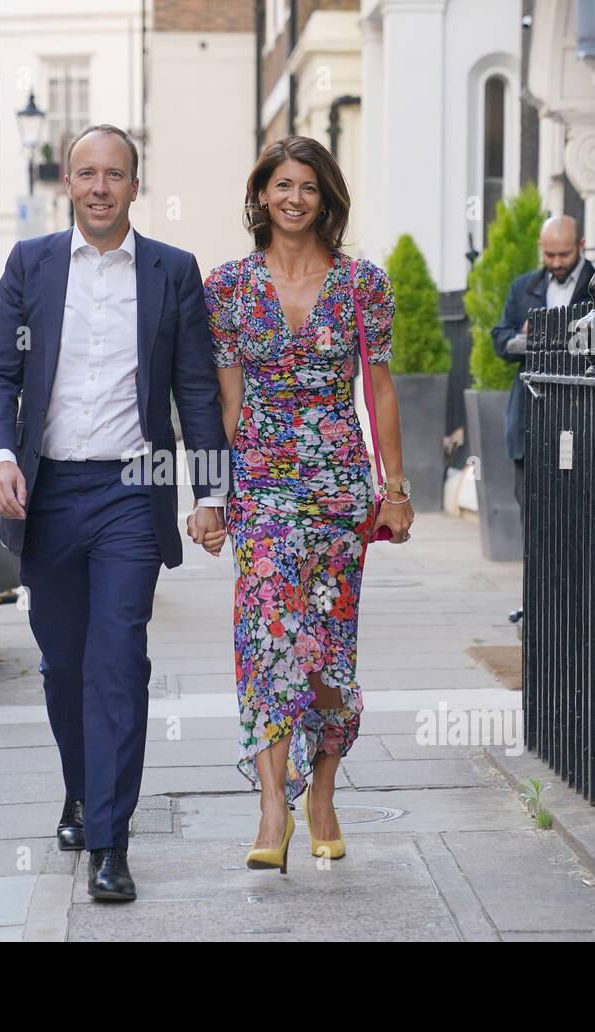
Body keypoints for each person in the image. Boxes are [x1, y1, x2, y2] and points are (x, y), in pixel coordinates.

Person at [0, 124, 229, 903]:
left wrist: (212, 493)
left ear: (133, 185)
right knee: (63, 665)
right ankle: (82, 790)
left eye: (113, 174)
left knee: (118, 660)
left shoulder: (172, 272)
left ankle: (111, 845)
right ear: (67, 182)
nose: (99, 188)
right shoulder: (32, 264)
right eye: (86, 174)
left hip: (130, 491)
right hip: (47, 492)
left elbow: (196, 388)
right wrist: (1, 458)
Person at [201, 135, 412, 874]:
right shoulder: (226, 287)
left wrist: (395, 488)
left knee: (324, 648)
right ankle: (270, 806)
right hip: (262, 487)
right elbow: (223, 400)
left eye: (309, 188)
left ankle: (321, 792)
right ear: (260, 195)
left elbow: (380, 388)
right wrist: (217, 495)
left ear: (327, 200)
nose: (294, 198)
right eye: (281, 185)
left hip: (337, 492)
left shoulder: (363, 284)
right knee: (267, 640)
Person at [491, 214, 595, 520]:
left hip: (588, 416)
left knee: (583, 509)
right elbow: (500, 339)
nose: (555, 262)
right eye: (548, 254)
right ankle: (537, 569)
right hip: (532, 412)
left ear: (581, 245)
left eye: (563, 254)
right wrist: (524, 337)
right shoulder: (522, 288)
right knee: (532, 508)